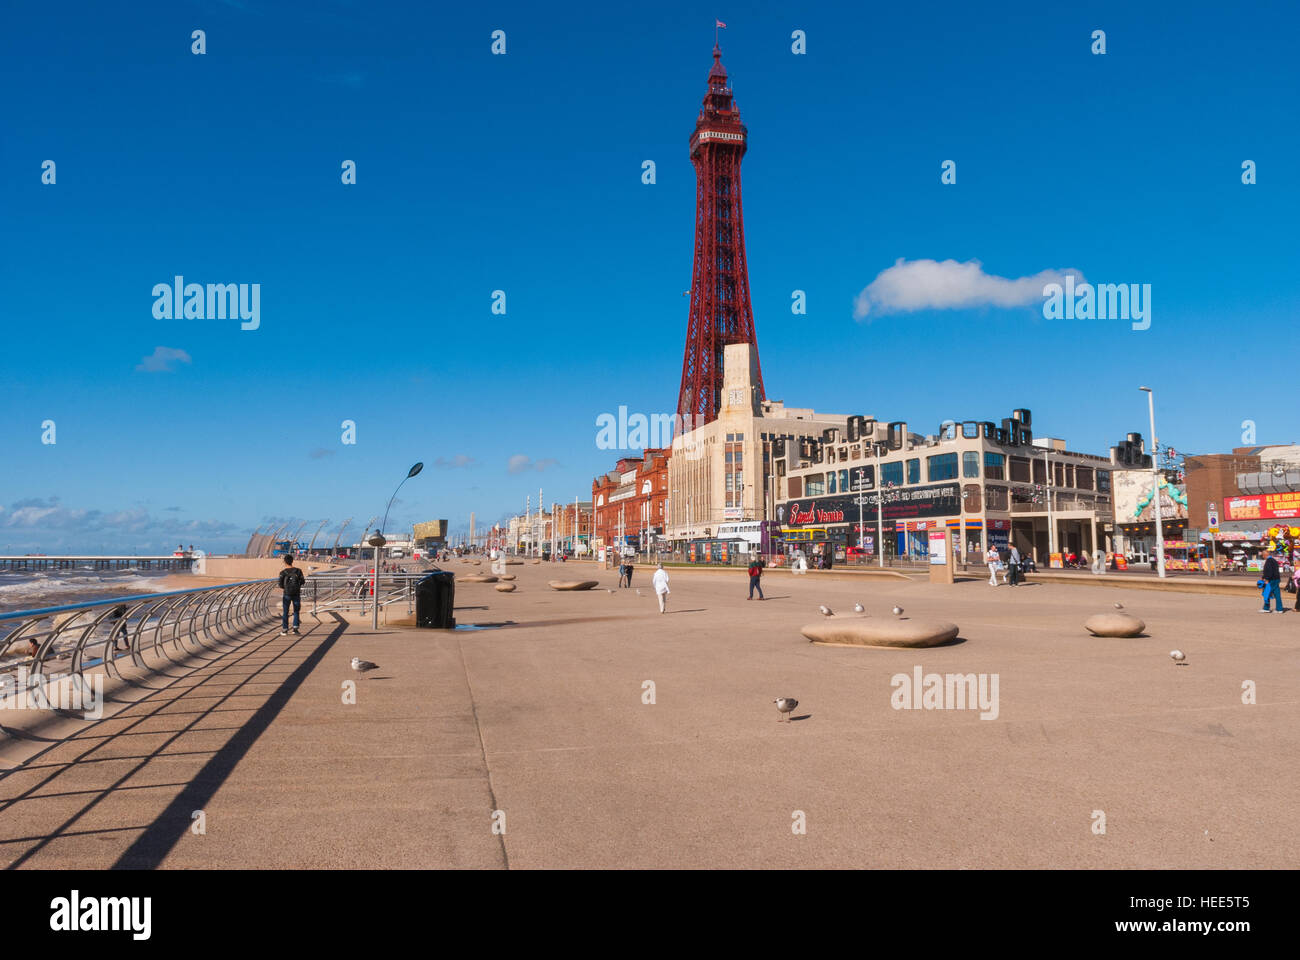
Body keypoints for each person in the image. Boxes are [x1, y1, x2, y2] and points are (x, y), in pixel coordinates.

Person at [279, 553, 306, 634]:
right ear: (292, 561)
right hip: (296, 593)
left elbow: (280, 584)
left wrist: (286, 588)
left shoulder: (283, 572)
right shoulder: (298, 571)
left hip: (287, 594)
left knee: (285, 612)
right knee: (296, 611)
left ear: (284, 562)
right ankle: (295, 629)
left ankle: (285, 629)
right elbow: (302, 581)